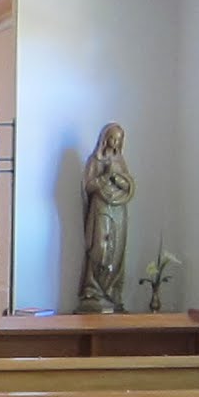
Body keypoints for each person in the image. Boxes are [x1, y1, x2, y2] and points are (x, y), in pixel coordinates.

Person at [76, 122, 135, 313]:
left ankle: (111, 291)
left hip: (118, 211)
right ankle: (93, 290)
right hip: (100, 209)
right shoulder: (95, 160)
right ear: (104, 138)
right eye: (112, 138)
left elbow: (129, 185)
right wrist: (105, 177)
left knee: (116, 250)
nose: (115, 142)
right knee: (99, 248)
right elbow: (88, 186)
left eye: (119, 139)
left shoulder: (120, 161)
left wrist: (118, 179)